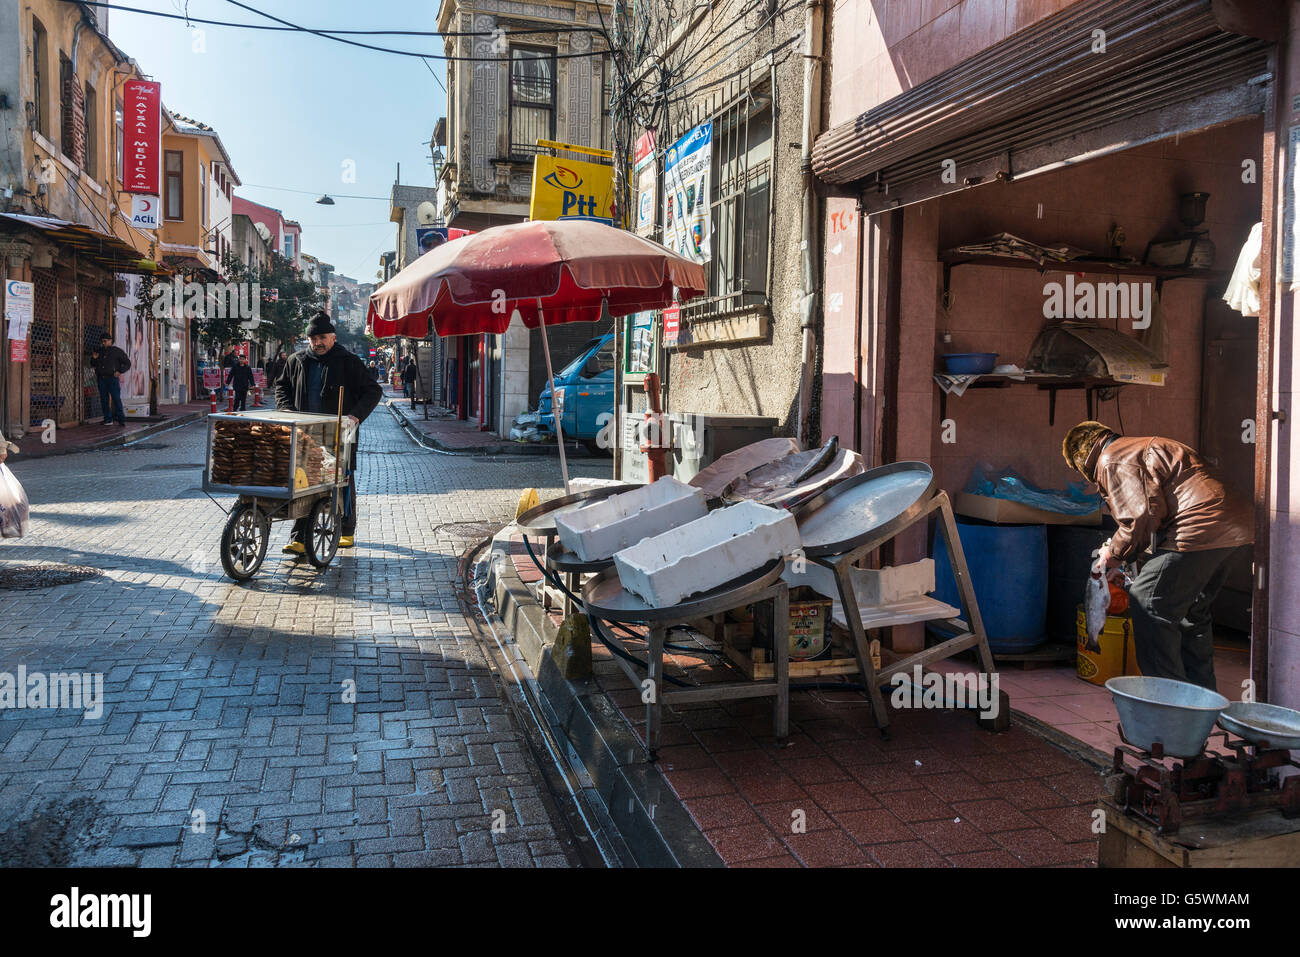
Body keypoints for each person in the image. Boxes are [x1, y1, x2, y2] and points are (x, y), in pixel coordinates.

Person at [1062, 421, 1253, 690]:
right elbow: (1156, 514)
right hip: (1237, 527)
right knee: (1191, 615)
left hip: (1198, 529)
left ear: (1082, 461)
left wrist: (1110, 555)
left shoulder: (1112, 459)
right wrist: (1126, 563)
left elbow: (1139, 518)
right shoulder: (1138, 447)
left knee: (1147, 604)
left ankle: (1169, 699)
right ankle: (1202, 699)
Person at [275, 312, 381, 552]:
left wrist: (355, 416)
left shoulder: (349, 361)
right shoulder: (296, 360)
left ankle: (346, 529)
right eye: (313, 339)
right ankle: (299, 537)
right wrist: (287, 411)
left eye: (322, 337)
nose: (317, 343)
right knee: (304, 481)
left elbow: (373, 391)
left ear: (332, 337)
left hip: (340, 433)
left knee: (341, 480)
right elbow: (281, 387)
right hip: (304, 433)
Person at [89, 333, 131, 426]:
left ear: (110, 341)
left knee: (116, 399)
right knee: (104, 399)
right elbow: (93, 364)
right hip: (101, 378)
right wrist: (94, 358)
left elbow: (127, 363)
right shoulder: (99, 351)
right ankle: (108, 419)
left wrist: (120, 371)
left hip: (112, 378)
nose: (103, 343)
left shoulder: (116, 351)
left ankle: (121, 419)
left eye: (105, 341)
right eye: (102, 341)